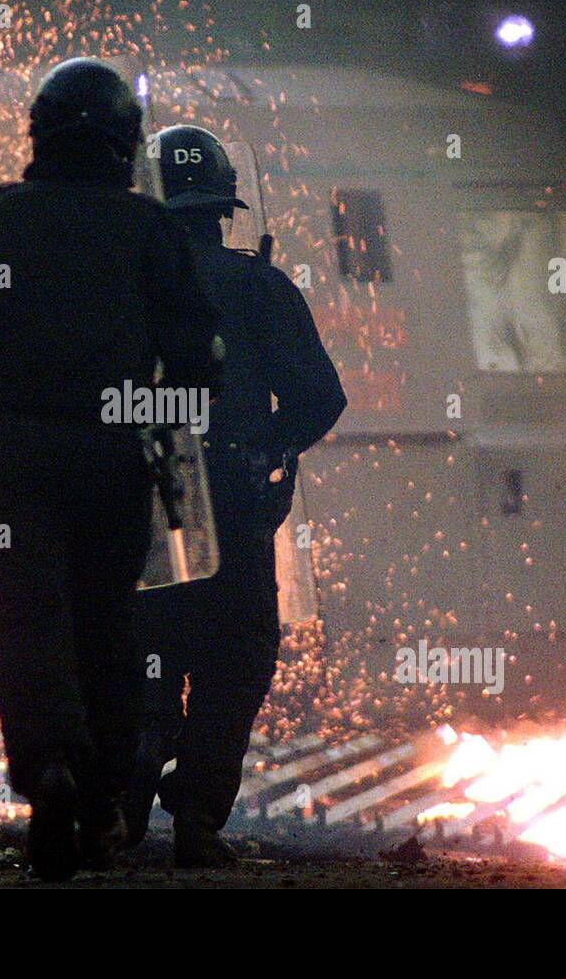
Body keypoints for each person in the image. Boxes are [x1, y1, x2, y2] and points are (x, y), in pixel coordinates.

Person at [0, 61, 221, 880]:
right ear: (127, 143)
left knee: (28, 617)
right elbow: (196, 352)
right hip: (112, 449)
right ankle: (102, 806)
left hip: (15, 450)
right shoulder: (150, 231)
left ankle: (49, 764)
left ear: (40, 132)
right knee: (106, 622)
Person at [128, 124, 347, 866]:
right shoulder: (260, 287)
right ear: (225, 208)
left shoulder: (120, 290)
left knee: (145, 648)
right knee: (236, 656)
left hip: (146, 503)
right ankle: (195, 816)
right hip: (233, 499)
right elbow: (321, 397)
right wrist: (271, 448)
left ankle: (125, 799)